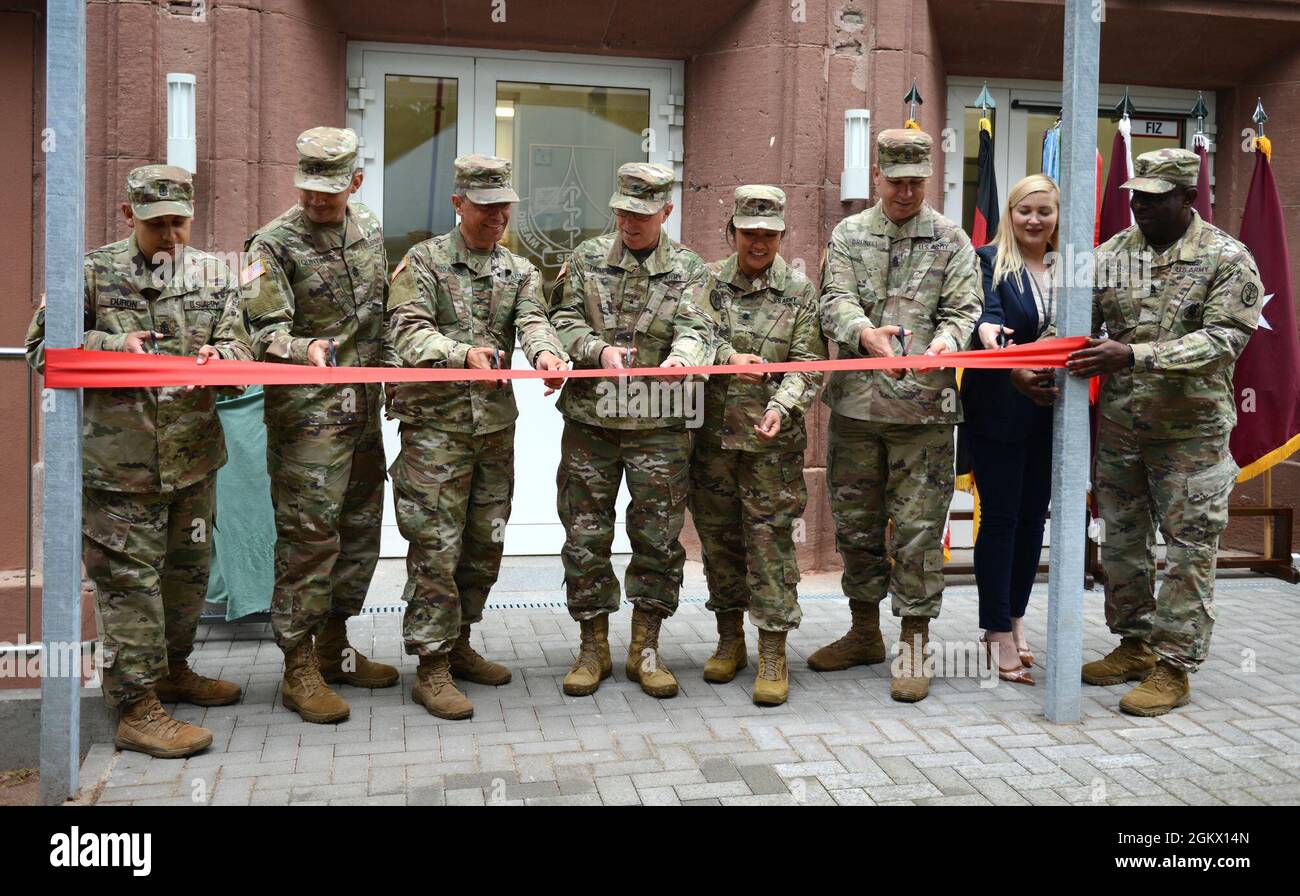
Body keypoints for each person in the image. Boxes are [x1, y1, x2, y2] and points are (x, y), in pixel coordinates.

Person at [27, 165, 251, 757]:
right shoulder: (91, 273)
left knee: (185, 578)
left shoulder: (212, 275)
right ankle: (135, 708)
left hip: (193, 462)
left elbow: (240, 344)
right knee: (129, 587)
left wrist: (220, 355)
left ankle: (173, 670)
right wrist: (109, 346)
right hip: (119, 469)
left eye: (180, 222)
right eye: (157, 226)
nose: (172, 237)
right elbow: (40, 349)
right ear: (129, 216)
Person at [1066, 147, 1262, 716]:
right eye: (1136, 197)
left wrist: (1135, 355)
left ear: (1189, 198)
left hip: (1191, 436)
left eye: (1155, 198)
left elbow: (1226, 339)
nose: (1141, 207)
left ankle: (1174, 665)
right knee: (1122, 543)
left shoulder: (1228, 258)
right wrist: (1037, 358)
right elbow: (1075, 324)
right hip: (1123, 430)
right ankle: (1133, 644)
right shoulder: (1109, 255)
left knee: (1187, 550)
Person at [386, 154, 569, 719]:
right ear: (459, 203)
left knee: (484, 545)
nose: (497, 218)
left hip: (493, 430)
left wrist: (545, 352)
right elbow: (407, 335)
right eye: (486, 208)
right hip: (436, 431)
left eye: (505, 208)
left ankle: (461, 642)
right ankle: (431, 665)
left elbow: (533, 319)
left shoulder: (517, 269)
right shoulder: (423, 262)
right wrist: (460, 353)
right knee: (435, 548)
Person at [812, 128, 982, 702]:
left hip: (924, 413)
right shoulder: (849, 234)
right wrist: (863, 332)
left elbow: (965, 309)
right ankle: (864, 631)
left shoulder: (951, 239)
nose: (906, 192)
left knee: (916, 532)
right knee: (857, 526)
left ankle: (913, 640)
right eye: (896, 181)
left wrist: (946, 344)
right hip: (858, 408)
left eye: (916, 182)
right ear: (878, 178)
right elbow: (832, 301)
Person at [242, 126, 396, 724]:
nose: (315, 204)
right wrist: (306, 348)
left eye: (328, 195)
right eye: (308, 191)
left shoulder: (369, 229)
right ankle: (297, 666)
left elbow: (378, 319)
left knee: (358, 535)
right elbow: (260, 331)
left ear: (355, 183)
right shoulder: (271, 244)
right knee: (309, 542)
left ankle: (334, 648)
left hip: (361, 414)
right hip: (307, 421)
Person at [550, 162, 715, 699]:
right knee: (584, 534)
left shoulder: (689, 268)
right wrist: (594, 349)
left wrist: (681, 359)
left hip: (660, 424)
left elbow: (700, 327)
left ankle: (646, 646)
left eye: (642, 214)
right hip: (592, 424)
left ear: (666, 212)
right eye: (622, 212)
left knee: (658, 538)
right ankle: (591, 645)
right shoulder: (586, 259)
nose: (630, 222)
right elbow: (563, 320)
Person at [689, 186, 826, 706]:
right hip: (714, 441)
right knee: (720, 542)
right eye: (750, 234)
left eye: (769, 235)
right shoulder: (707, 282)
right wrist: (728, 355)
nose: (758, 244)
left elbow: (810, 361)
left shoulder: (798, 292)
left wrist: (782, 404)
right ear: (733, 232)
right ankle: (730, 640)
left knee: (770, 547)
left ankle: (773, 650)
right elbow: (694, 332)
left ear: (781, 235)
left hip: (774, 447)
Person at [959, 174, 1062, 686]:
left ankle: (1017, 615)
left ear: (1057, 215)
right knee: (999, 518)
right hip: (999, 408)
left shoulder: (1071, 268)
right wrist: (990, 337)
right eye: (1025, 210)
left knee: (1032, 520)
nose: (1034, 220)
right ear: (1011, 214)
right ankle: (996, 629)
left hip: (1053, 413)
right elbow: (985, 316)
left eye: (1044, 210)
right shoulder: (987, 261)